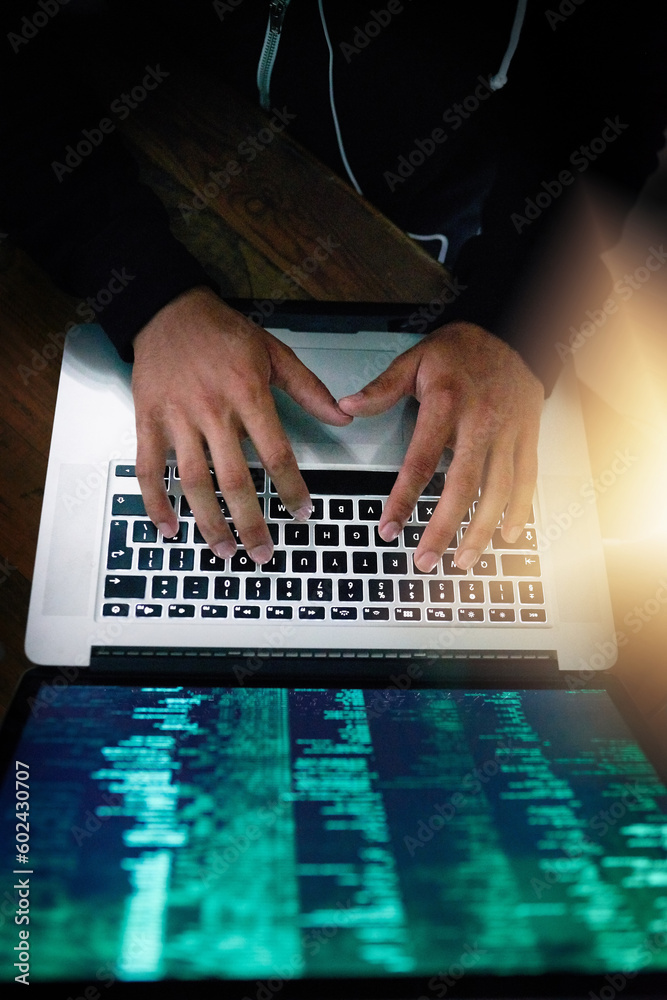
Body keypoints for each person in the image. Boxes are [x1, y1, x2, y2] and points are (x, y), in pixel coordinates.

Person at [1, 0, 665, 572]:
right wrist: (147, 294)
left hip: (456, 223)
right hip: (189, 149)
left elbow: (608, 111)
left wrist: (515, 319)